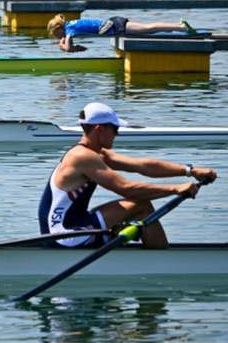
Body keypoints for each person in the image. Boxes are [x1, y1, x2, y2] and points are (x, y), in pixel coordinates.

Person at [39, 102, 216, 249]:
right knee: (141, 206)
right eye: (115, 129)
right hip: (64, 235)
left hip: (77, 223)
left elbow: (143, 166)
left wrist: (189, 171)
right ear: (99, 129)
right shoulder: (83, 157)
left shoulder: (96, 153)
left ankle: (153, 253)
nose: (117, 134)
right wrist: (175, 189)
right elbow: (127, 189)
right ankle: (161, 261)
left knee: (137, 208)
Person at [47, 13, 197, 52]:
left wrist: (64, 46)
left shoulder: (69, 29)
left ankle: (181, 27)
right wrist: (63, 43)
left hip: (115, 26)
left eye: (56, 35)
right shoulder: (70, 24)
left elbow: (68, 48)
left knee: (148, 28)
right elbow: (69, 43)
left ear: (59, 29)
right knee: (149, 29)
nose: (58, 37)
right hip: (114, 22)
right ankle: (176, 27)